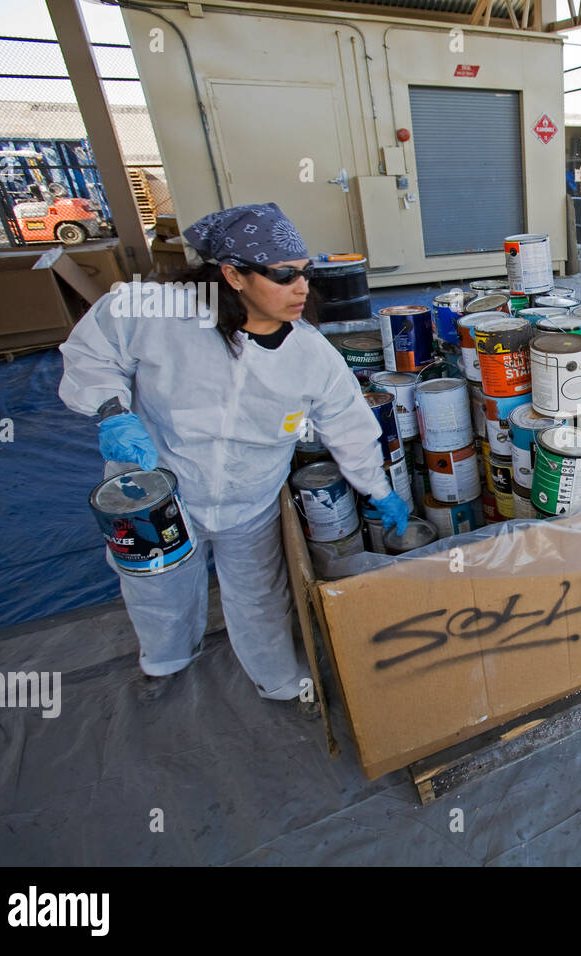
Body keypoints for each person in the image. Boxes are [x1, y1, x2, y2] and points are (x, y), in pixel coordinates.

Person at [59, 202, 409, 708]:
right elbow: (91, 352)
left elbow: (347, 427)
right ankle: (167, 658)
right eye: (284, 275)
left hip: (251, 498)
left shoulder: (310, 355)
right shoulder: (155, 311)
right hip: (157, 489)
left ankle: (276, 678)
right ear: (232, 274)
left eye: (305, 274)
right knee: (159, 586)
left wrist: (379, 489)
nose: (302, 288)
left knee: (260, 598)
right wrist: (112, 410)